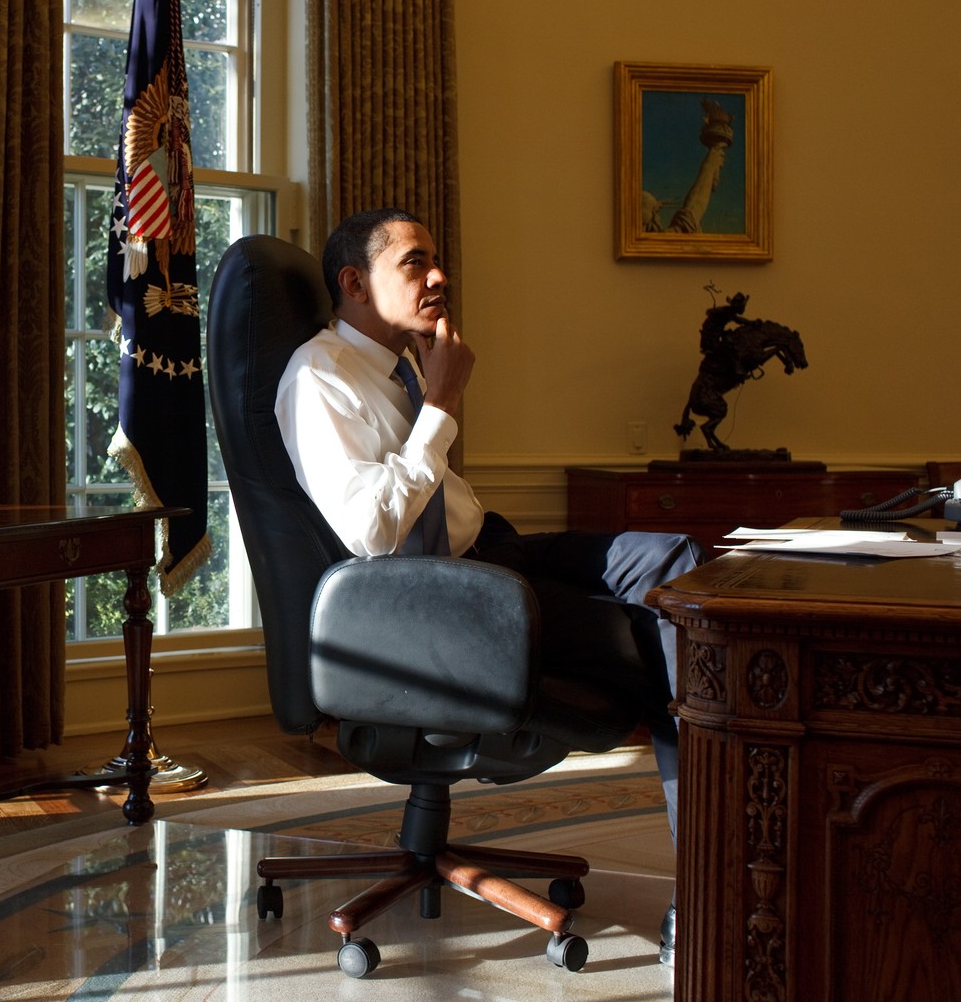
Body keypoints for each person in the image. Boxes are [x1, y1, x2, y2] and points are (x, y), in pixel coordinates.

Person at [275, 208, 702, 964]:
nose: (439, 276)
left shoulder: (401, 365)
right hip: (435, 606)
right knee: (658, 638)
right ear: (354, 284)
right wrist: (441, 405)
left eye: (436, 259)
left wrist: (431, 394)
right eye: (414, 262)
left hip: (489, 553)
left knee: (674, 565)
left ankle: (717, 837)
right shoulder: (318, 378)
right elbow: (373, 532)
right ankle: (708, 884)